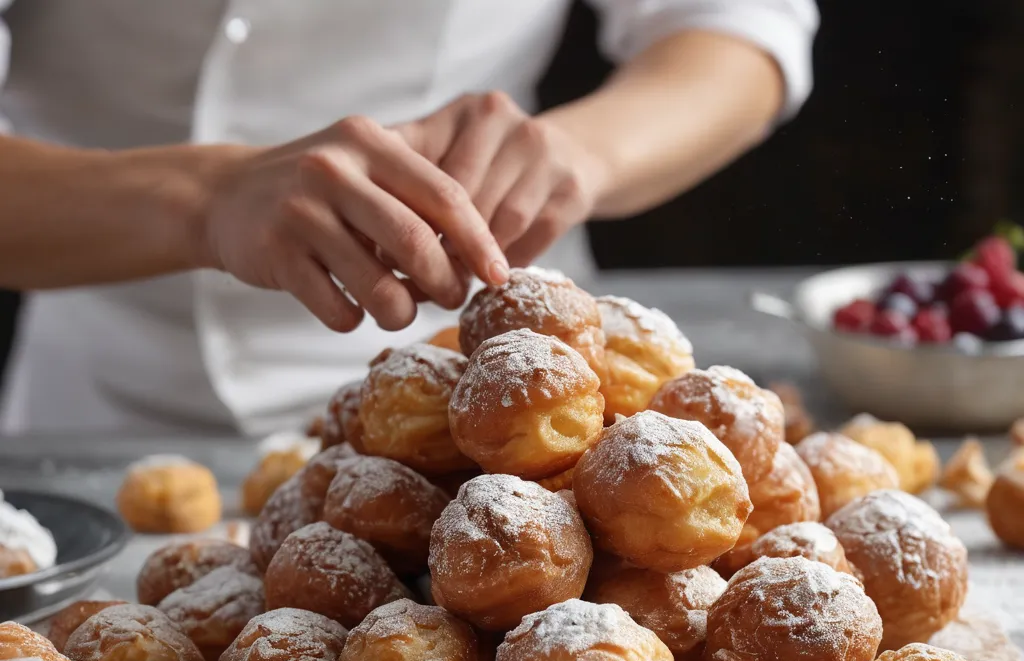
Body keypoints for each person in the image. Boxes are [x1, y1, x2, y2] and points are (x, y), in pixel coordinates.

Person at [0, 1, 817, 436]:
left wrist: (579, 151)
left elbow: (736, 30)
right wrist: (201, 199)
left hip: (508, 390)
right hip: (99, 407)